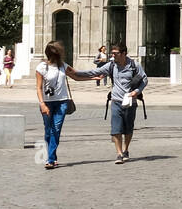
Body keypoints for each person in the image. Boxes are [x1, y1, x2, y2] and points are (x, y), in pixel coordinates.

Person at [35, 40, 99, 169]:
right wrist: (42, 104)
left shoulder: (63, 66)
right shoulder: (41, 67)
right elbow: (38, 87)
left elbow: (76, 75)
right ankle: (51, 155)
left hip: (62, 102)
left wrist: (93, 78)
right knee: (48, 131)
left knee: (56, 130)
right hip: (47, 103)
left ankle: (51, 159)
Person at [83, 41, 149, 164]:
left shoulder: (135, 65)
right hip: (116, 101)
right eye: (112, 53)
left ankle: (126, 150)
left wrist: (137, 91)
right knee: (116, 129)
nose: (113, 56)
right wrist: (74, 73)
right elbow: (94, 72)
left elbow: (144, 80)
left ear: (124, 53)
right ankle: (119, 154)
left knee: (128, 129)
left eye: (115, 53)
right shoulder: (111, 65)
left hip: (130, 101)